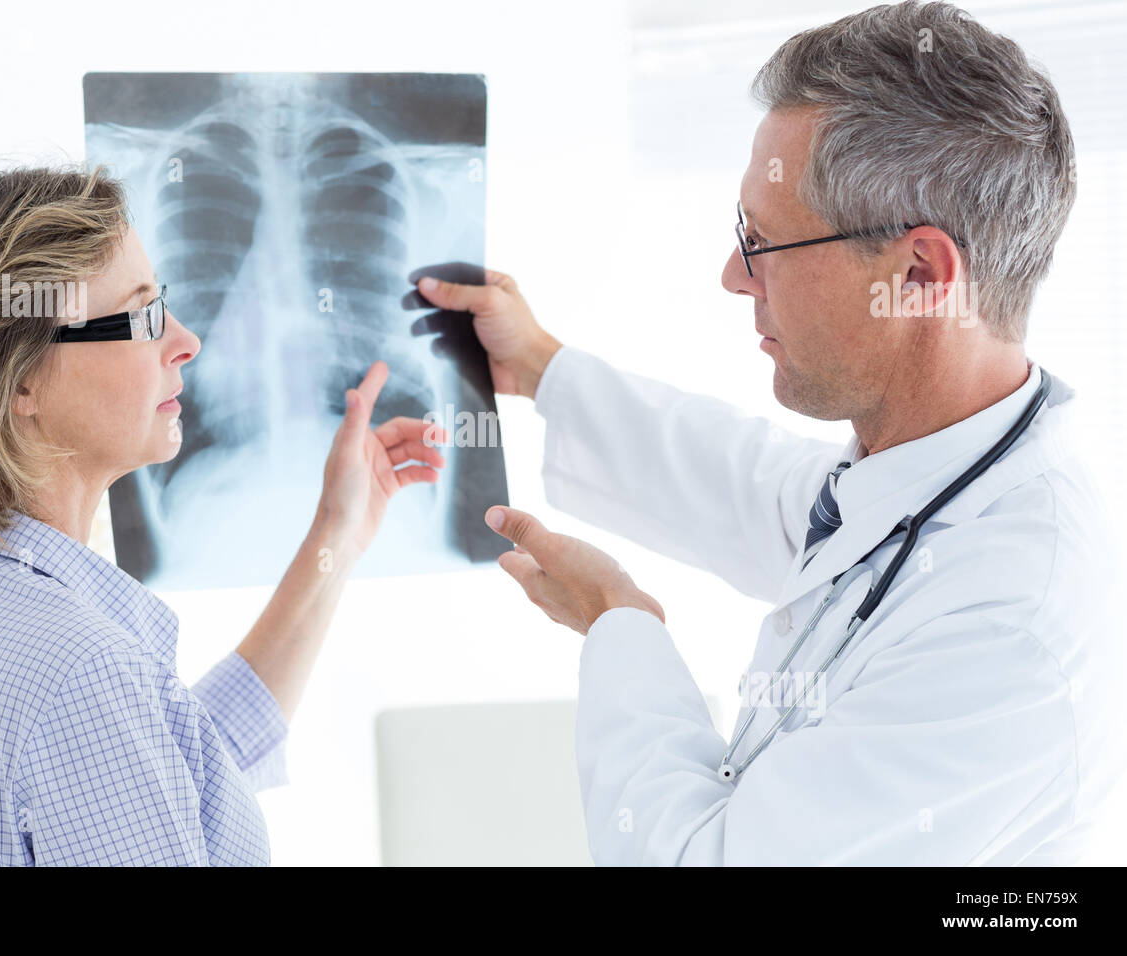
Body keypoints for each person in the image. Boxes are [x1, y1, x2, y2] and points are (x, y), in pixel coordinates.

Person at [416, 0, 1125, 865]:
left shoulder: (1007, 621)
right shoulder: (929, 472)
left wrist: (619, 622)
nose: (731, 276)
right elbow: (757, 486)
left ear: (917, 274)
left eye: (763, 242)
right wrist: (540, 368)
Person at [0, 166, 445, 865]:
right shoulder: (82, 675)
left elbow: (160, 770)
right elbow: (111, 737)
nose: (185, 340)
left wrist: (336, 535)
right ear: (21, 381)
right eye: (144, 315)